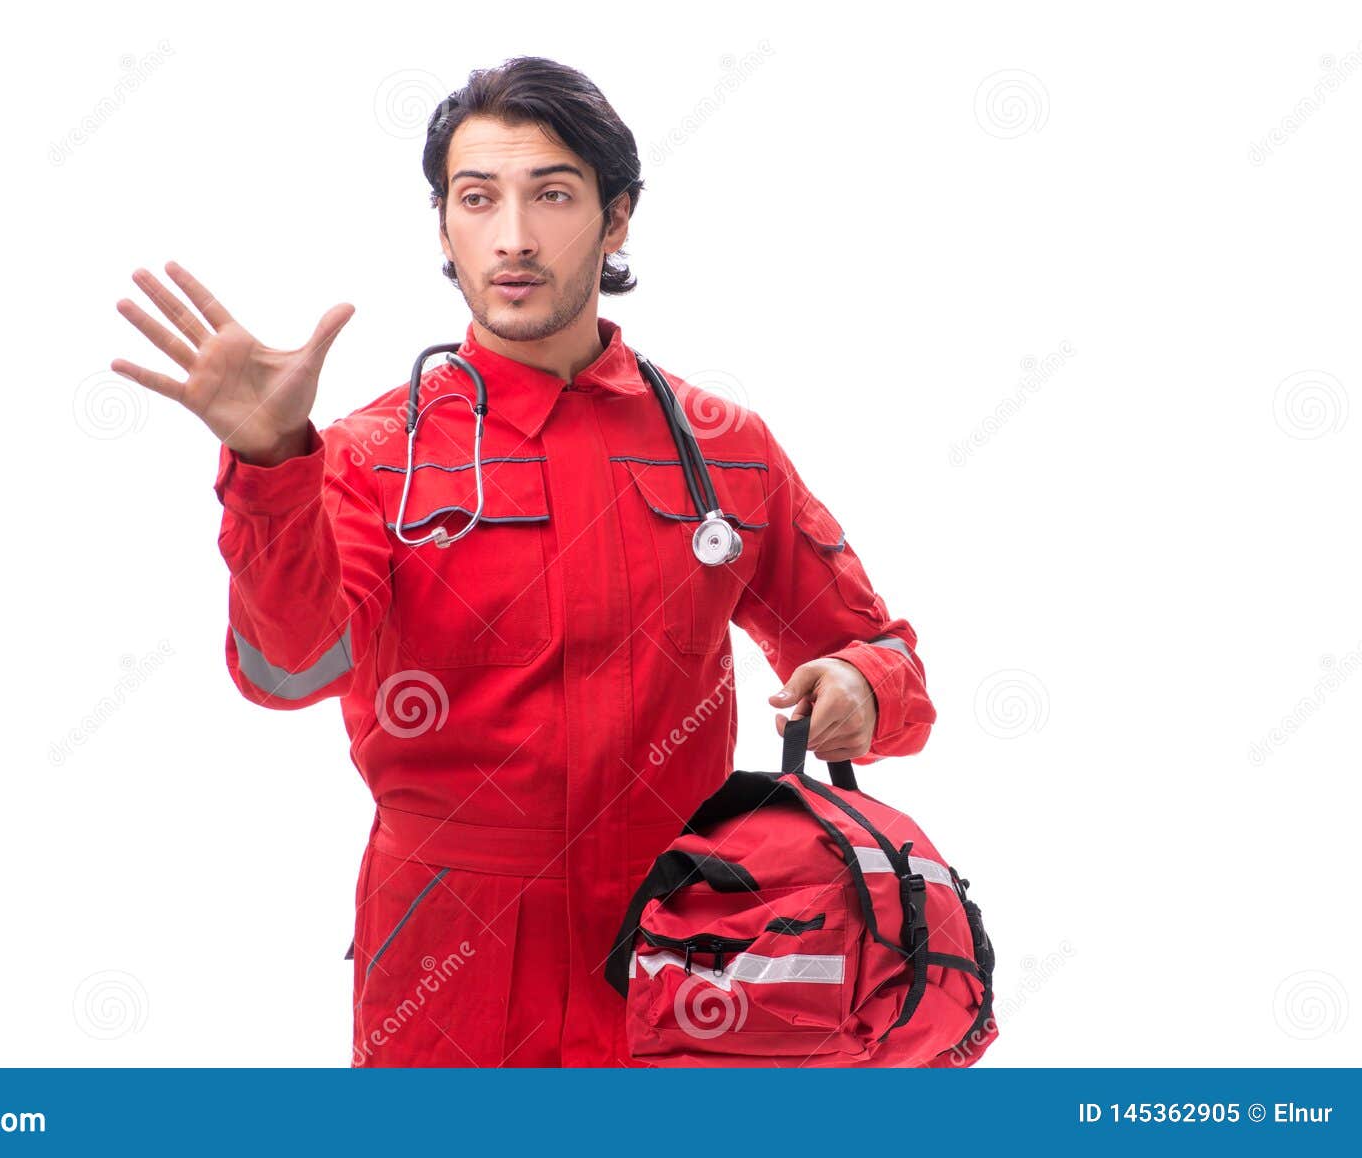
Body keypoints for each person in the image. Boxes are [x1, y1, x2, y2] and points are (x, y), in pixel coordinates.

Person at [110, 56, 935, 1067]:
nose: (512, 237)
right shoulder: (380, 454)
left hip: (688, 948)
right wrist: (272, 463)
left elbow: (876, 652)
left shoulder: (725, 445)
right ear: (444, 228)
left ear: (616, 218)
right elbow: (291, 670)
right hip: (450, 963)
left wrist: (859, 681)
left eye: (551, 194)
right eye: (476, 198)